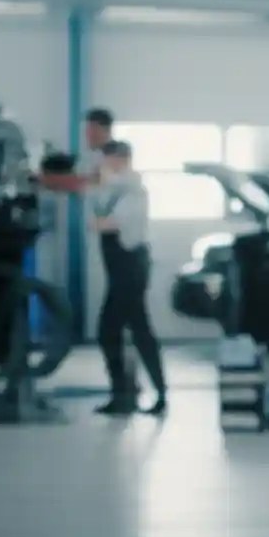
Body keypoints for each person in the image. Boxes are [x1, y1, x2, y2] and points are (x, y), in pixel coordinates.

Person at [91, 140, 167, 416]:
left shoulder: (133, 189)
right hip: (122, 271)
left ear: (120, 159)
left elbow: (109, 223)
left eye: (107, 159)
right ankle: (140, 395)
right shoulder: (114, 189)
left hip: (130, 270)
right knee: (134, 330)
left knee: (114, 331)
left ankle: (132, 395)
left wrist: (99, 222)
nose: (104, 164)